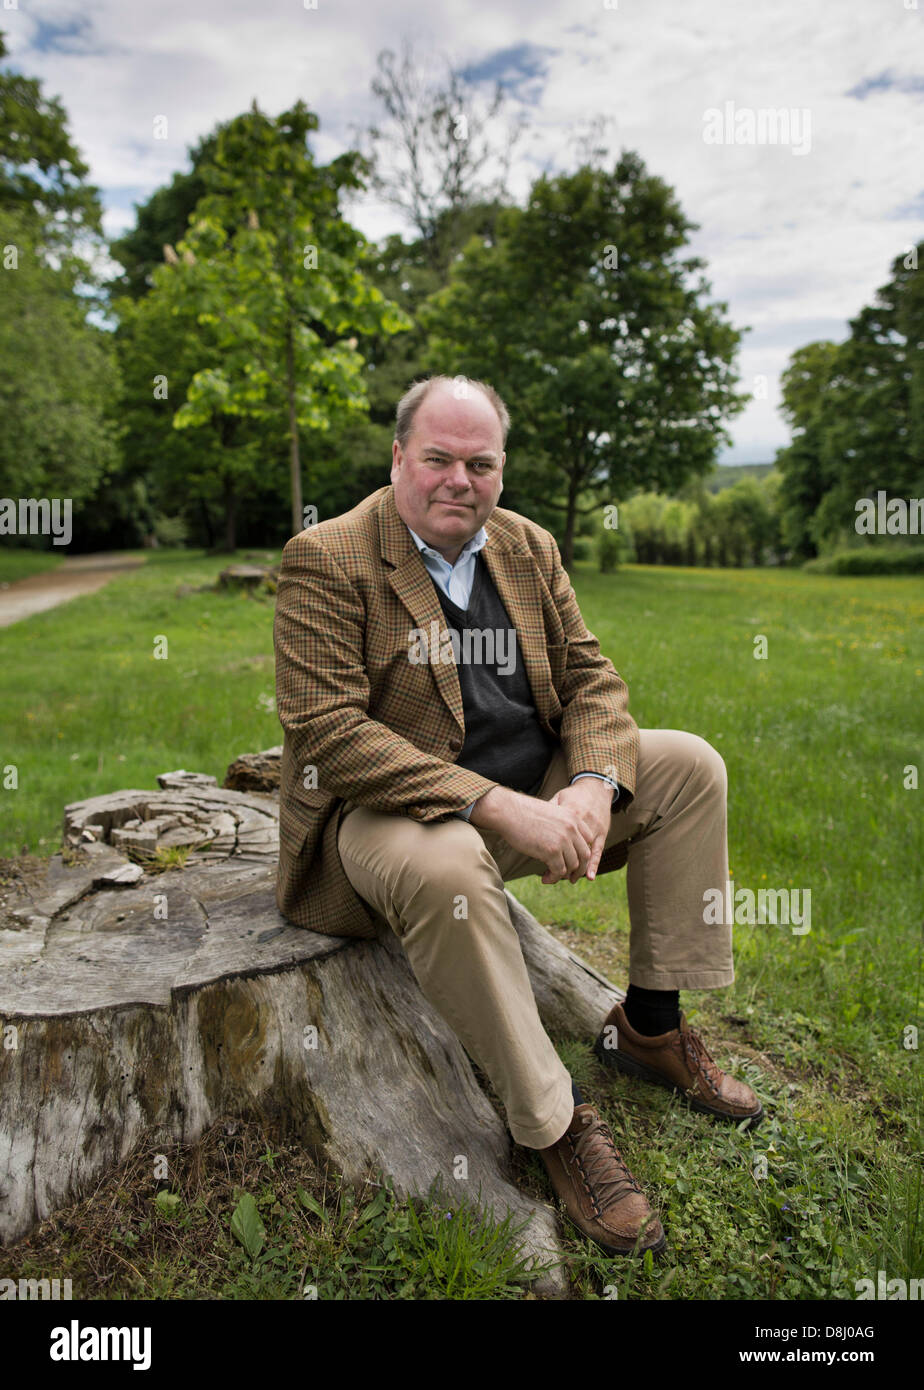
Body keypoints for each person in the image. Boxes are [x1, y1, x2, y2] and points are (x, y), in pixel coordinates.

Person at [273, 374, 762, 1258]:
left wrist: (590, 787)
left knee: (688, 763)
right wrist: (495, 803)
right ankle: (555, 1124)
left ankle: (649, 1029)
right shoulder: (329, 556)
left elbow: (593, 683)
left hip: (525, 793)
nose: (460, 479)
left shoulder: (527, 546)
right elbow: (327, 735)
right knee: (452, 860)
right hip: (384, 817)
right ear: (397, 459)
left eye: (481, 462)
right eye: (438, 459)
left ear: (501, 469)